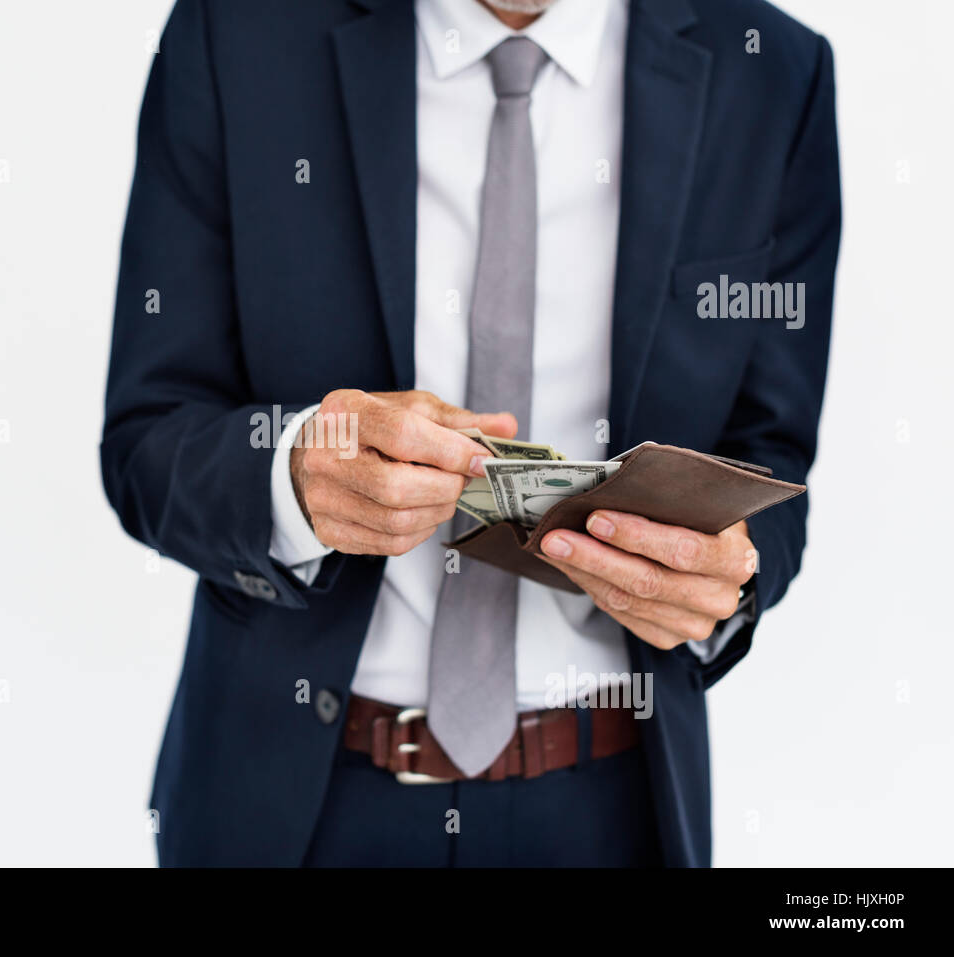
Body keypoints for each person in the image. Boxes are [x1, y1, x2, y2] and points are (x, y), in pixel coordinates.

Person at [101, 0, 839, 866]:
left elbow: (772, 458)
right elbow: (148, 436)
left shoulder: (773, 73)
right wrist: (291, 479)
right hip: (293, 803)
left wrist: (725, 584)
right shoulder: (238, 33)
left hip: (614, 808)